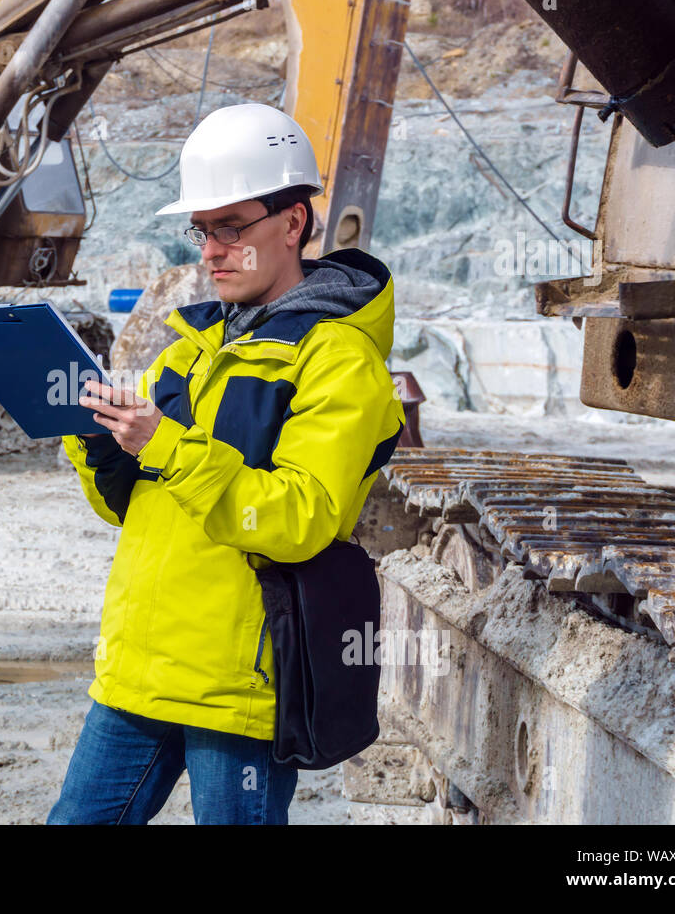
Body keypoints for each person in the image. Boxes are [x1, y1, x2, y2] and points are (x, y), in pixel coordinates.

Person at [47, 102, 405, 825]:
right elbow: (135, 509)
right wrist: (95, 442)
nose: (210, 251)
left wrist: (168, 445)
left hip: (240, 689)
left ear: (293, 223)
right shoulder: (191, 349)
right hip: (137, 674)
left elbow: (300, 518)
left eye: (231, 228)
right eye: (202, 231)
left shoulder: (337, 360)